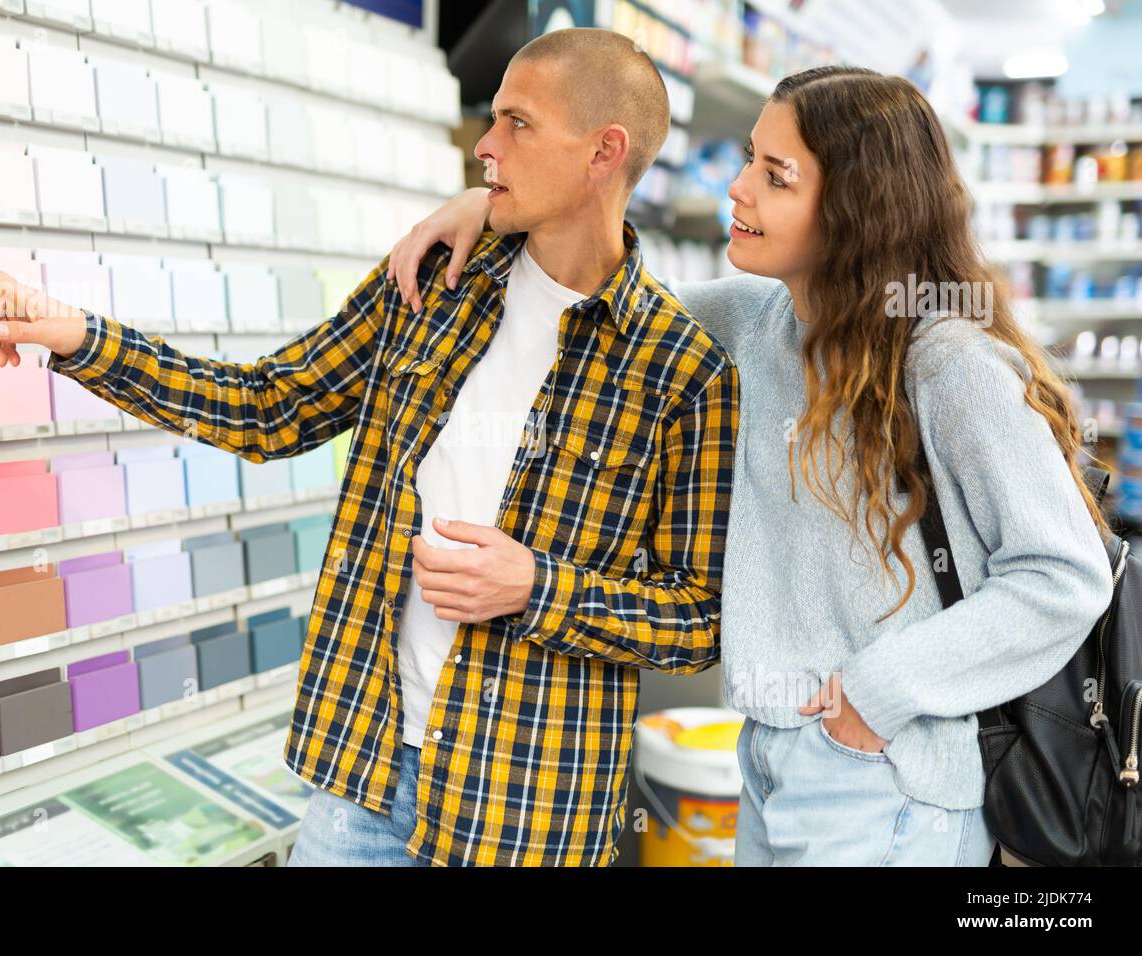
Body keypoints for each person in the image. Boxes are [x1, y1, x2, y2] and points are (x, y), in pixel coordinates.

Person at [0, 27, 737, 866]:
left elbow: (696, 619)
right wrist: (81, 338)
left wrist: (536, 587)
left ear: (603, 151)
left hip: (528, 808)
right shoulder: (435, 281)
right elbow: (267, 406)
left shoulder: (683, 372)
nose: (485, 145)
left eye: (518, 124)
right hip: (365, 779)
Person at [387, 65, 1115, 866]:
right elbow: (604, 284)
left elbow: (1063, 575)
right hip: (771, 758)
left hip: (887, 777)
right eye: (747, 160)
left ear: (856, 206)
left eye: (777, 176)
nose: (739, 189)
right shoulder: (755, 321)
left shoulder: (948, 365)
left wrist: (875, 697)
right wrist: (487, 208)